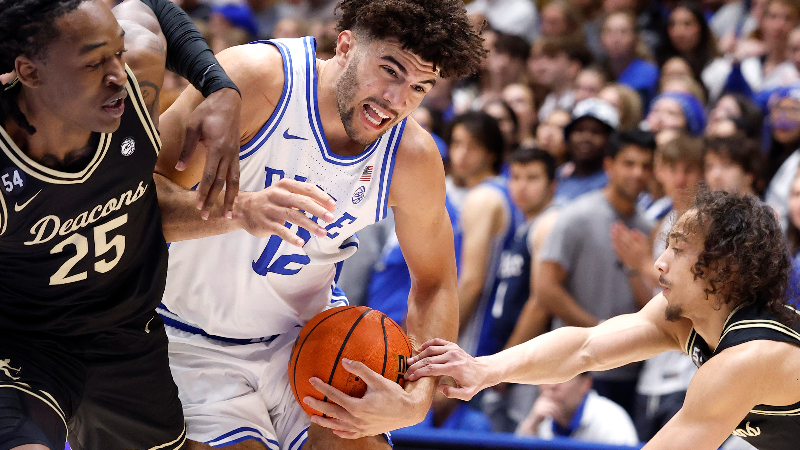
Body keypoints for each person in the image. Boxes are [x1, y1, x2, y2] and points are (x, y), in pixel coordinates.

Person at [153, 0, 486, 449]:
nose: (396, 100)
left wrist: (418, 397)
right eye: (390, 71)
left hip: (311, 339)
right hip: (190, 338)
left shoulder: (412, 157)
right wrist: (241, 210)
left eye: (419, 87)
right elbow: (133, 201)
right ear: (345, 46)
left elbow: (435, 281)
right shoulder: (259, 79)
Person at [0, 0, 244, 449]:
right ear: (29, 73)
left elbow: (148, 5)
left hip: (125, 334)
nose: (117, 73)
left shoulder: (138, 72)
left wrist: (220, 88)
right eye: (94, 62)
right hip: (26, 344)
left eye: (116, 51)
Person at [407, 188, 800, 450]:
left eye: (679, 250)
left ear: (725, 270)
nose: (659, 264)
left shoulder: (748, 358)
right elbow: (585, 348)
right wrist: (485, 369)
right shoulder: (684, 319)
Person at [537, 129, 656, 416]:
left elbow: (651, 301)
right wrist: (600, 331)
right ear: (609, 166)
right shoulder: (577, 216)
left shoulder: (648, 227)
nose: (637, 173)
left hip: (629, 372)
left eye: (645, 165)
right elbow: (546, 288)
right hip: (575, 367)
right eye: (629, 163)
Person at [516, 373, 639, 446]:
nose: (552, 386)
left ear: (586, 383)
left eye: (562, 378)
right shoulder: (538, 417)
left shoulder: (611, 419)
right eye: (546, 378)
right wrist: (532, 425)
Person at [553, 98, 619, 205]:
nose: (586, 138)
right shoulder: (558, 176)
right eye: (579, 130)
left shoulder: (614, 183)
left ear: (610, 140)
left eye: (596, 132)